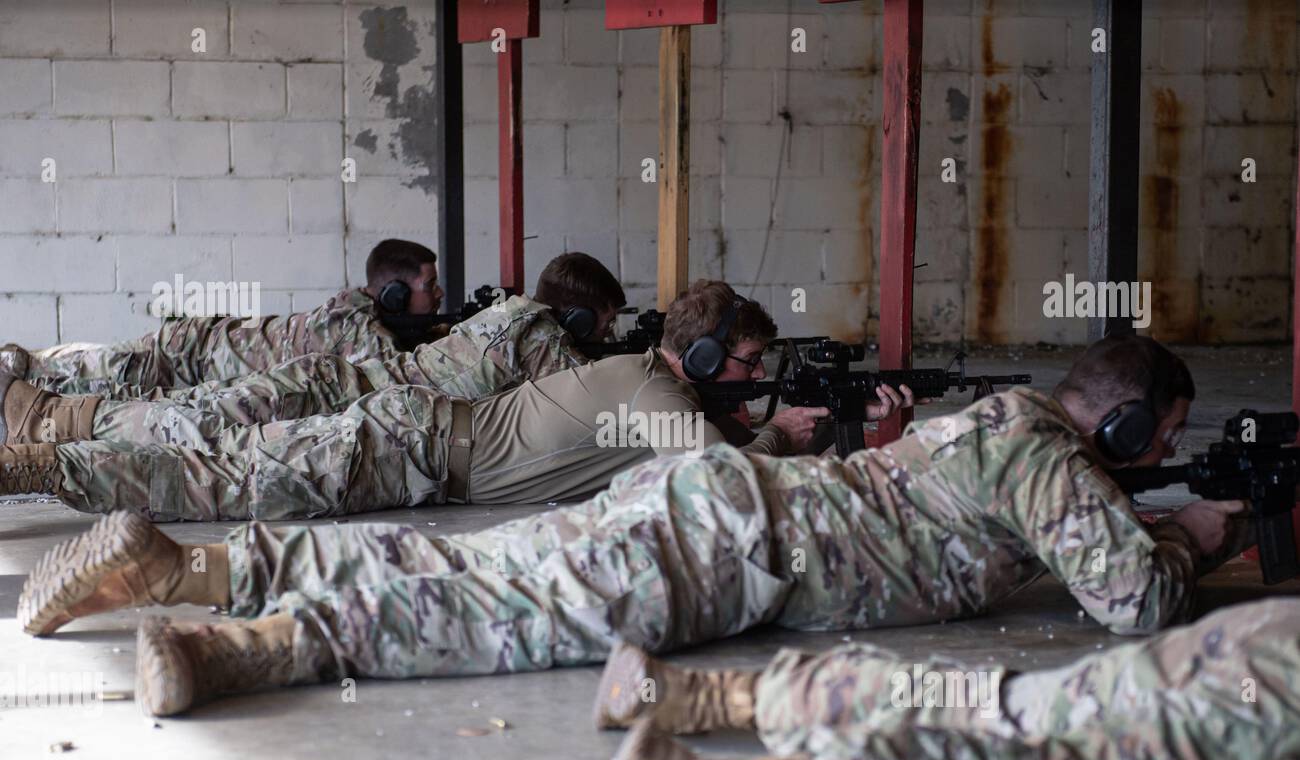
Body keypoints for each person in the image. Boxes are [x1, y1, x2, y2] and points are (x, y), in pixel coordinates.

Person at [19, 337, 1243, 721]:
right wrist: (1199, 534)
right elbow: (1129, 599)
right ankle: (253, 633)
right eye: (1156, 429)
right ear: (1127, 416)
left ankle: (199, 567)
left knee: (486, 564)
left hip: (727, 515)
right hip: (742, 545)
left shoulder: (1001, 423)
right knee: (509, 606)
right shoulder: (1046, 452)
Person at [0, 281, 863, 521]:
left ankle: (46, 447)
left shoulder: (650, 384)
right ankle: (44, 461)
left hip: (412, 436)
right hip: (404, 450)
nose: (754, 378)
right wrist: (784, 436)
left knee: (215, 461)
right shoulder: (653, 397)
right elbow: (730, 478)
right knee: (216, 480)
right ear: (705, 354)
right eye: (747, 363)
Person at [579, 597, 1300, 760]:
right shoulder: (1051, 461)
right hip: (1275, 704)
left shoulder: (1018, 423)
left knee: (999, 703)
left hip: (1258, 639)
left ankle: (692, 696)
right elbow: (1134, 590)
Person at [0, 252, 618, 448]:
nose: (609, 338)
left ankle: (50, 415)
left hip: (307, 384)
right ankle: (44, 411)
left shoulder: (506, 322)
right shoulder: (356, 325)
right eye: (605, 325)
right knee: (184, 415)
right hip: (304, 384)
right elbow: (590, 406)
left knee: (185, 414)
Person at [0, 238, 444, 397]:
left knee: (101, 369)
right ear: (395, 292)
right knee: (90, 374)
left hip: (197, 349)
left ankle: (17, 367)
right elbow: (401, 378)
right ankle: (12, 367)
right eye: (430, 286)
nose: (439, 294)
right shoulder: (352, 325)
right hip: (190, 358)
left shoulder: (356, 313)